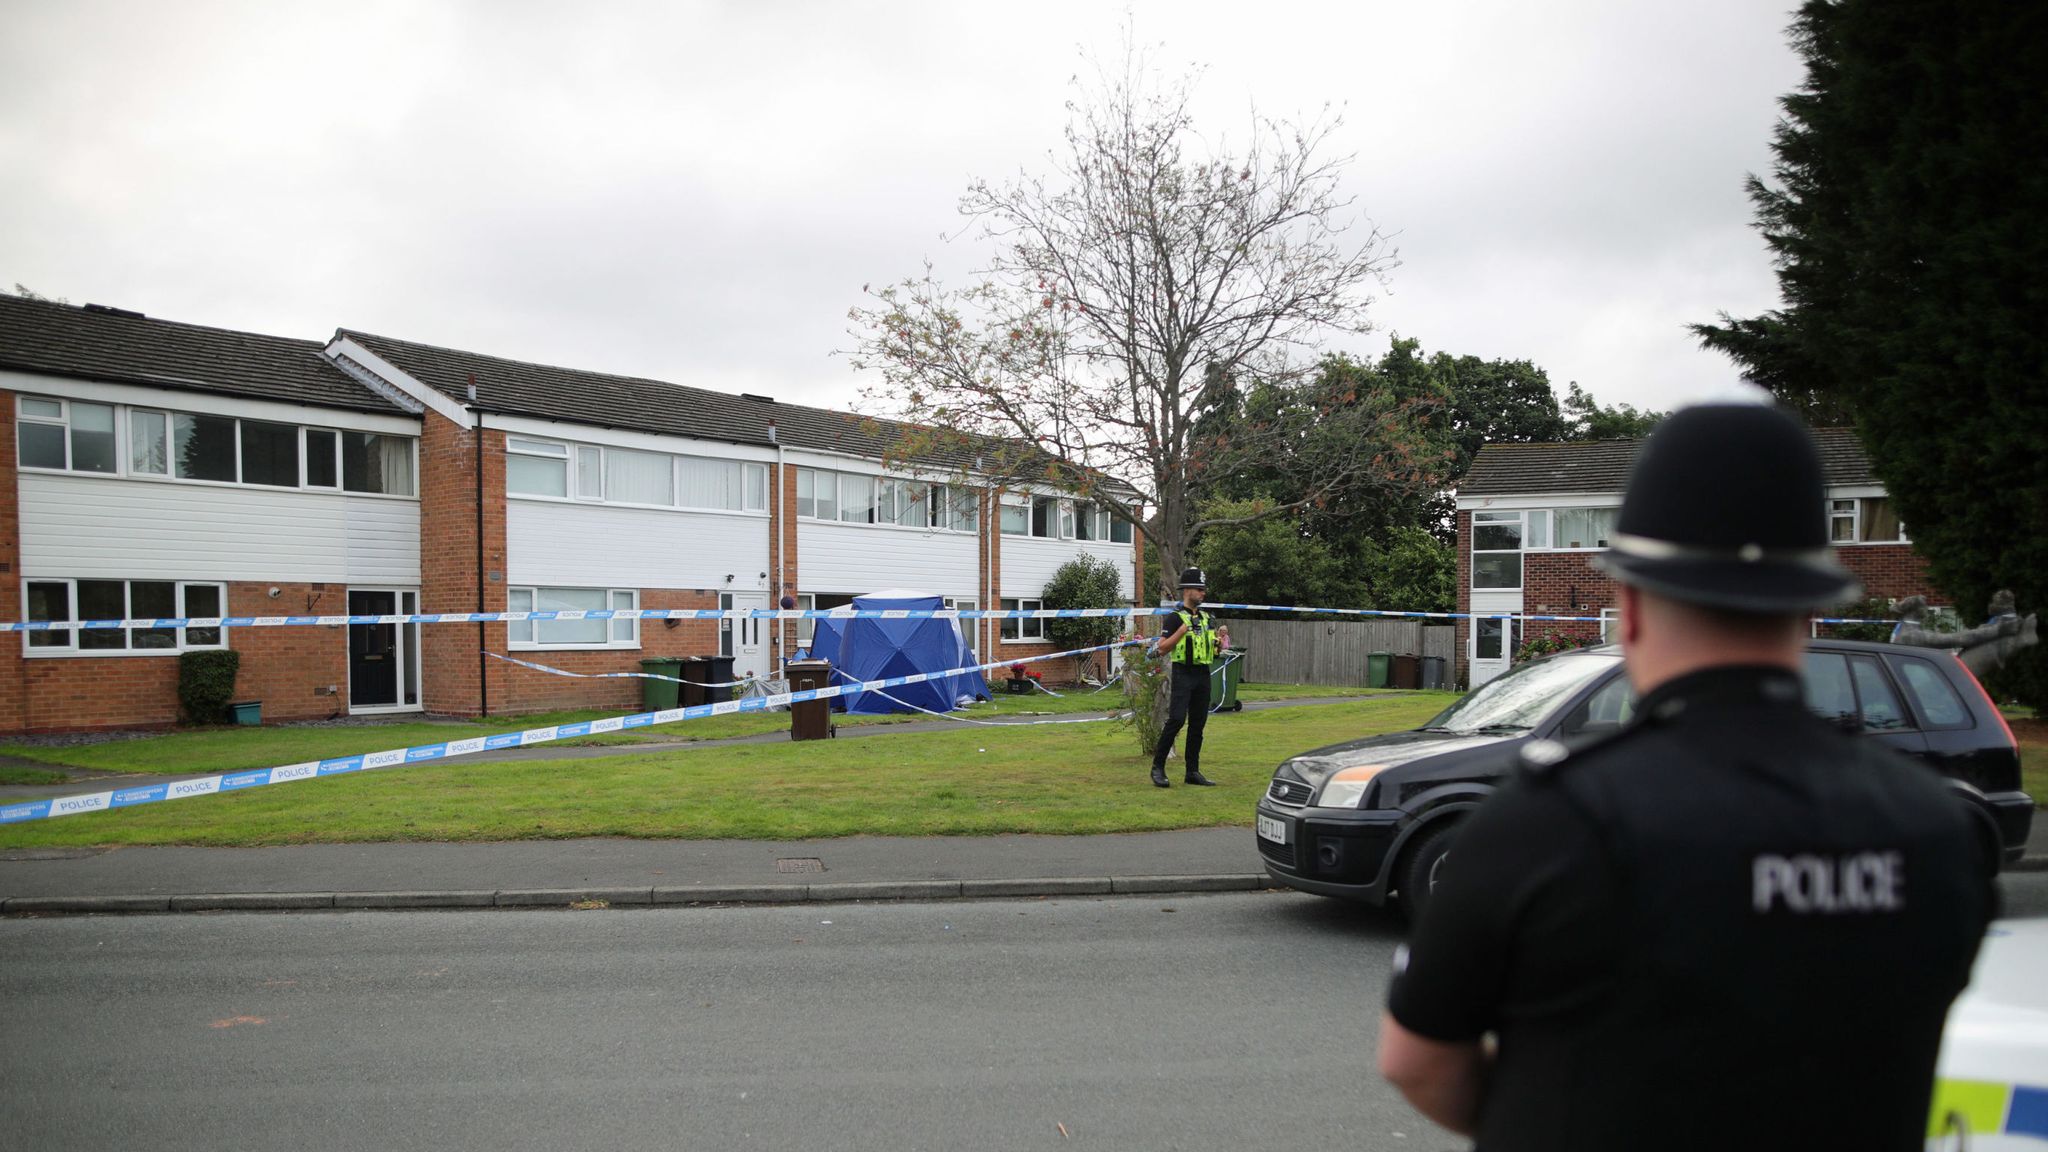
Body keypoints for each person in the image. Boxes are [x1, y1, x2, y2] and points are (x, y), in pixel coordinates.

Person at [1376, 403, 1997, 1151]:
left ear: (1629, 608)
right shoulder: (1940, 831)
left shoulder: (1547, 825)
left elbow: (1418, 1061)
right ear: (1807, 614)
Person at [1147, 567, 1221, 788]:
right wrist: (1181, 632)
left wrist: (1216, 645)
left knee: (1198, 724)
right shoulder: (1174, 618)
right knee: (1177, 720)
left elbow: (1213, 647)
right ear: (1187, 590)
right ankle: (1157, 768)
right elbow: (1161, 649)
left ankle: (1192, 771)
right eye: (1199, 589)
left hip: (1203, 674)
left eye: (1204, 589)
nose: (1203, 593)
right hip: (1183, 673)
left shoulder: (1208, 618)